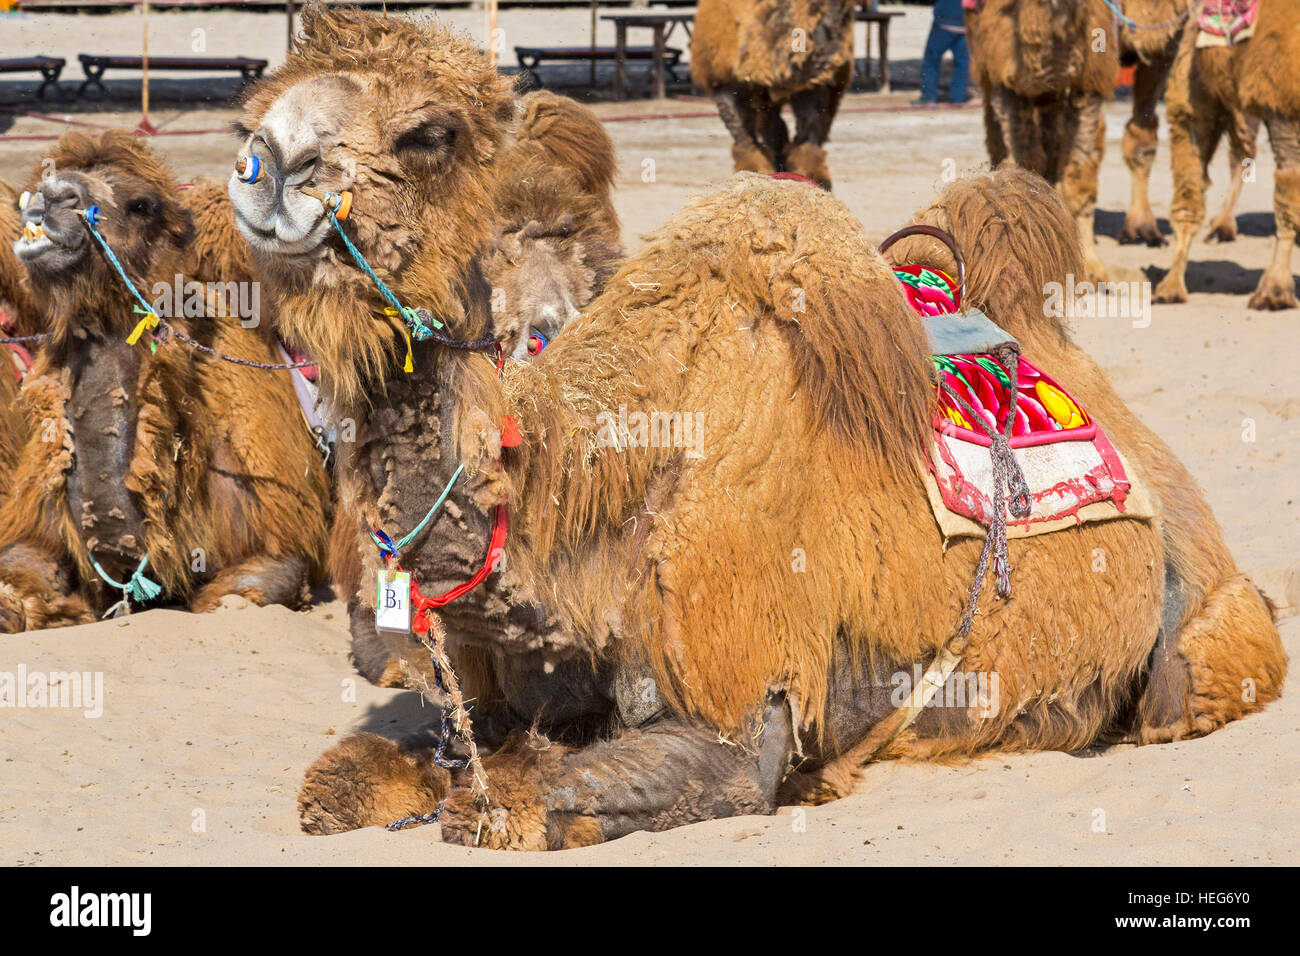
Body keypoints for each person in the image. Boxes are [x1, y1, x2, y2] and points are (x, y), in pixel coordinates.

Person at [913, 0, 969, 106]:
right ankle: (958, 98)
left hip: (945, 19)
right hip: (965, 21)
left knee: (931, 60)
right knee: (962, 63)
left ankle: (928, 96)